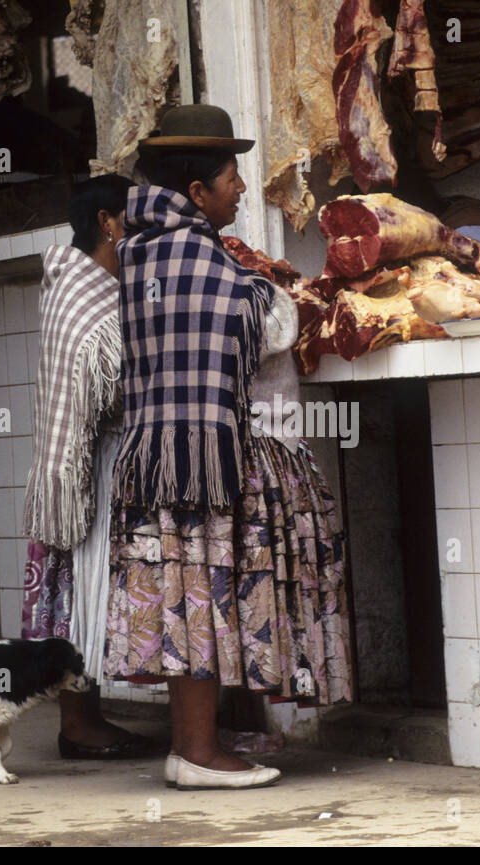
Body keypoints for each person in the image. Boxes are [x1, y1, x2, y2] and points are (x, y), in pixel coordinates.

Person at [104, 105, 352, 790]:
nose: (242, 188)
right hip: (201, 462)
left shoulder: (139, 247)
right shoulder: (191, 254)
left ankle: (195, 746)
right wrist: (282, 294)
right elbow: (263, 325)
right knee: (198, 594)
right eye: (231, 177)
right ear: (196, 191)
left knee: (187, 596)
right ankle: (197, 752)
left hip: (158, 457)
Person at [20, 173, 151, 758]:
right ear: (108, 223)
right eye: (136, 221)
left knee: (88, 594)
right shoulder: (81, 291)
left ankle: (84, 721)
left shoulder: (87, 281)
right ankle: (77, 726)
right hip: (83, 468)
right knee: (77, 594)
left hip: (91, 462)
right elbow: (103, 390)